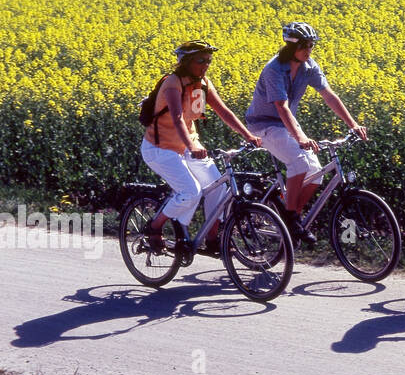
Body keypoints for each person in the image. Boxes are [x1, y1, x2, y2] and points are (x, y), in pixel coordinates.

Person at [245, 22, 368, 244]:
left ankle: (291, 217)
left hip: (286, 123)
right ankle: (290, 217)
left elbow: (328, 95)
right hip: (263, 124)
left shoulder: (309, 67)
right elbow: (281, 107)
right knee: (300, 163)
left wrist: (353, 124)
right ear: (291, 46)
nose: (309, 50)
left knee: (317, 172)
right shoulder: (273, 69)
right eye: (304, 45)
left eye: (311, 45)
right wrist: (301, 137)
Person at [142, 40, 261, 253]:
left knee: (218, 188)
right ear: (186, 62)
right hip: (160, 148)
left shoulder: (203, 83)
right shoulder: (173, 82)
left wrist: (249, 135)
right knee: (191, 191)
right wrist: (192, 146)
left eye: (208, 60)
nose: (206, 64)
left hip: (188, 145)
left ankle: (212, 240)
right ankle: (154, 227)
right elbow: (177, 118)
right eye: (200, 60)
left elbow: (224, 112)